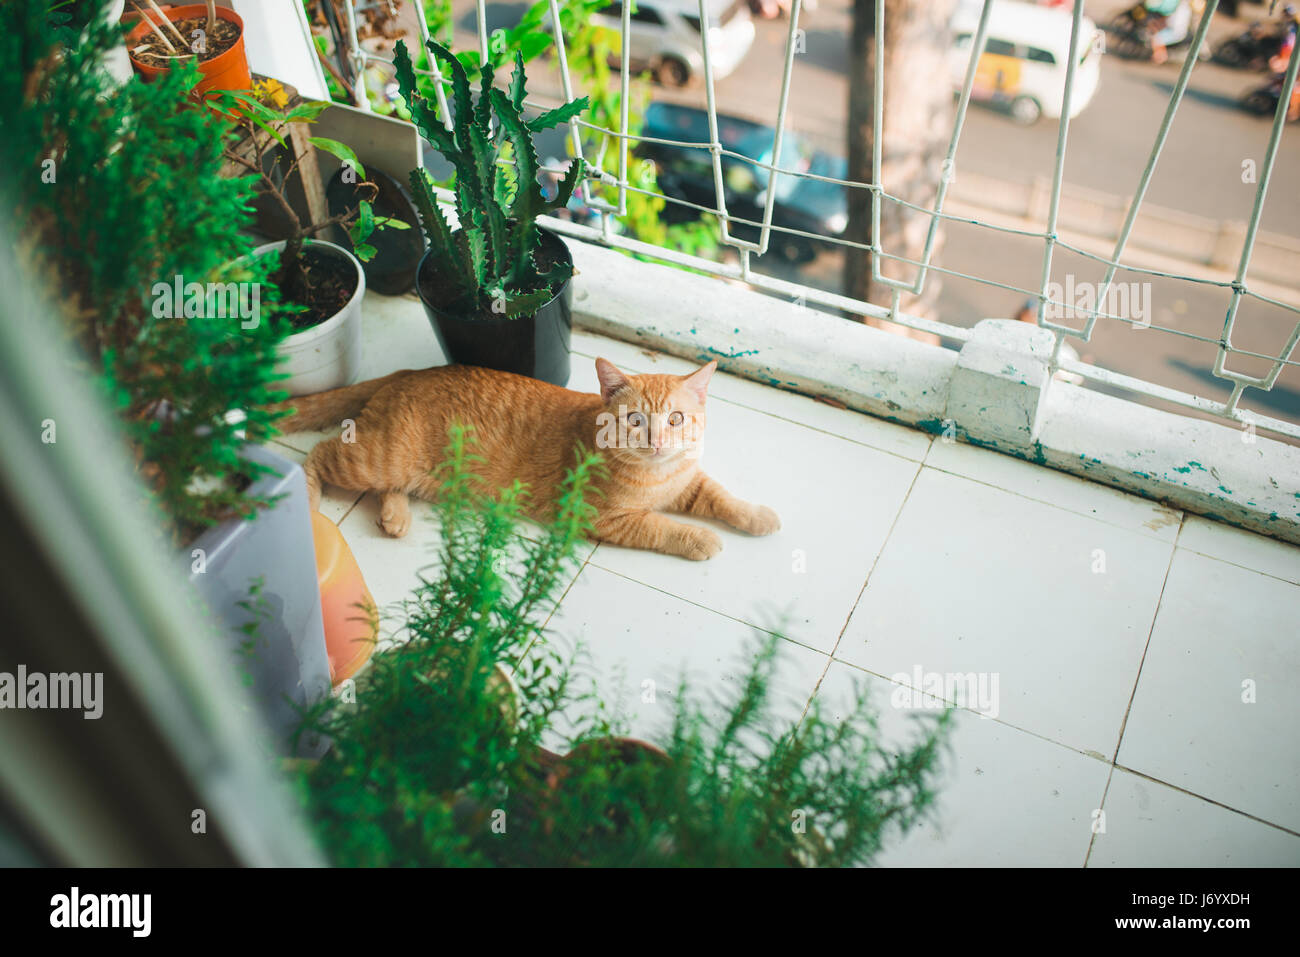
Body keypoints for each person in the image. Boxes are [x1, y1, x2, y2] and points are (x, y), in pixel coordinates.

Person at [1268, 6, 1299, 121]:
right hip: (1288, 56)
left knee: (1295, 88)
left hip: (1290, 57)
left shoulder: (1292, 30)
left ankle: (1292, 110)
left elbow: (1288, 46)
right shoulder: (1288, 26)